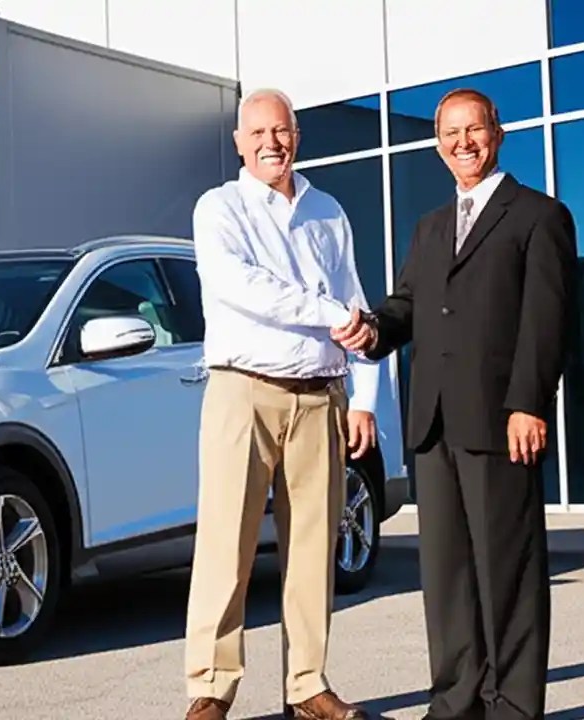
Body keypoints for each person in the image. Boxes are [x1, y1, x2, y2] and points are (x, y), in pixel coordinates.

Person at [334, 88, 577, 720]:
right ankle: (457, 700)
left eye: (473, 129)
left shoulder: (538, 216)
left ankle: (514, 706)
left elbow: (545, 320)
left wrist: (529, 402)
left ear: (497, 132)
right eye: (450, 133)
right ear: (438, 144)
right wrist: (374, 329)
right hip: (433, 424)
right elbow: (409, 306)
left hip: (501, 420)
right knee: (446, 579)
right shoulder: (430, 227)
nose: (462, 142)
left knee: (509, 573)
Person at [182, 87, 379, 720]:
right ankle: (211, 690)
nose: (273, 141)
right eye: (259, 132)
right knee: (226, 546)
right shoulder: (220, 209)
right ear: (239, 143)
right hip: (245, 392)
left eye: (283, 130)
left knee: (315, 549)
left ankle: (307, 685)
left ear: (297, 136)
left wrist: (365, 395)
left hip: (322, 397)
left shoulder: (328, 211)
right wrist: (332, 317)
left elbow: (357, 301)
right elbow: (246, 288)